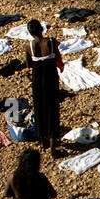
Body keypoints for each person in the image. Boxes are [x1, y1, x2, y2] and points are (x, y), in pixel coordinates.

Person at [26, 19, 61, 156]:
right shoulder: (51, 42)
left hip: (37, 80)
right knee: (52, 110)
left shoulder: (28, 45)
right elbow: (57, 57)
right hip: (50, 79)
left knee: (39, 109)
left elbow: (29, 65)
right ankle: (53, 149)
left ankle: (43, 142)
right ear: (41, 29)